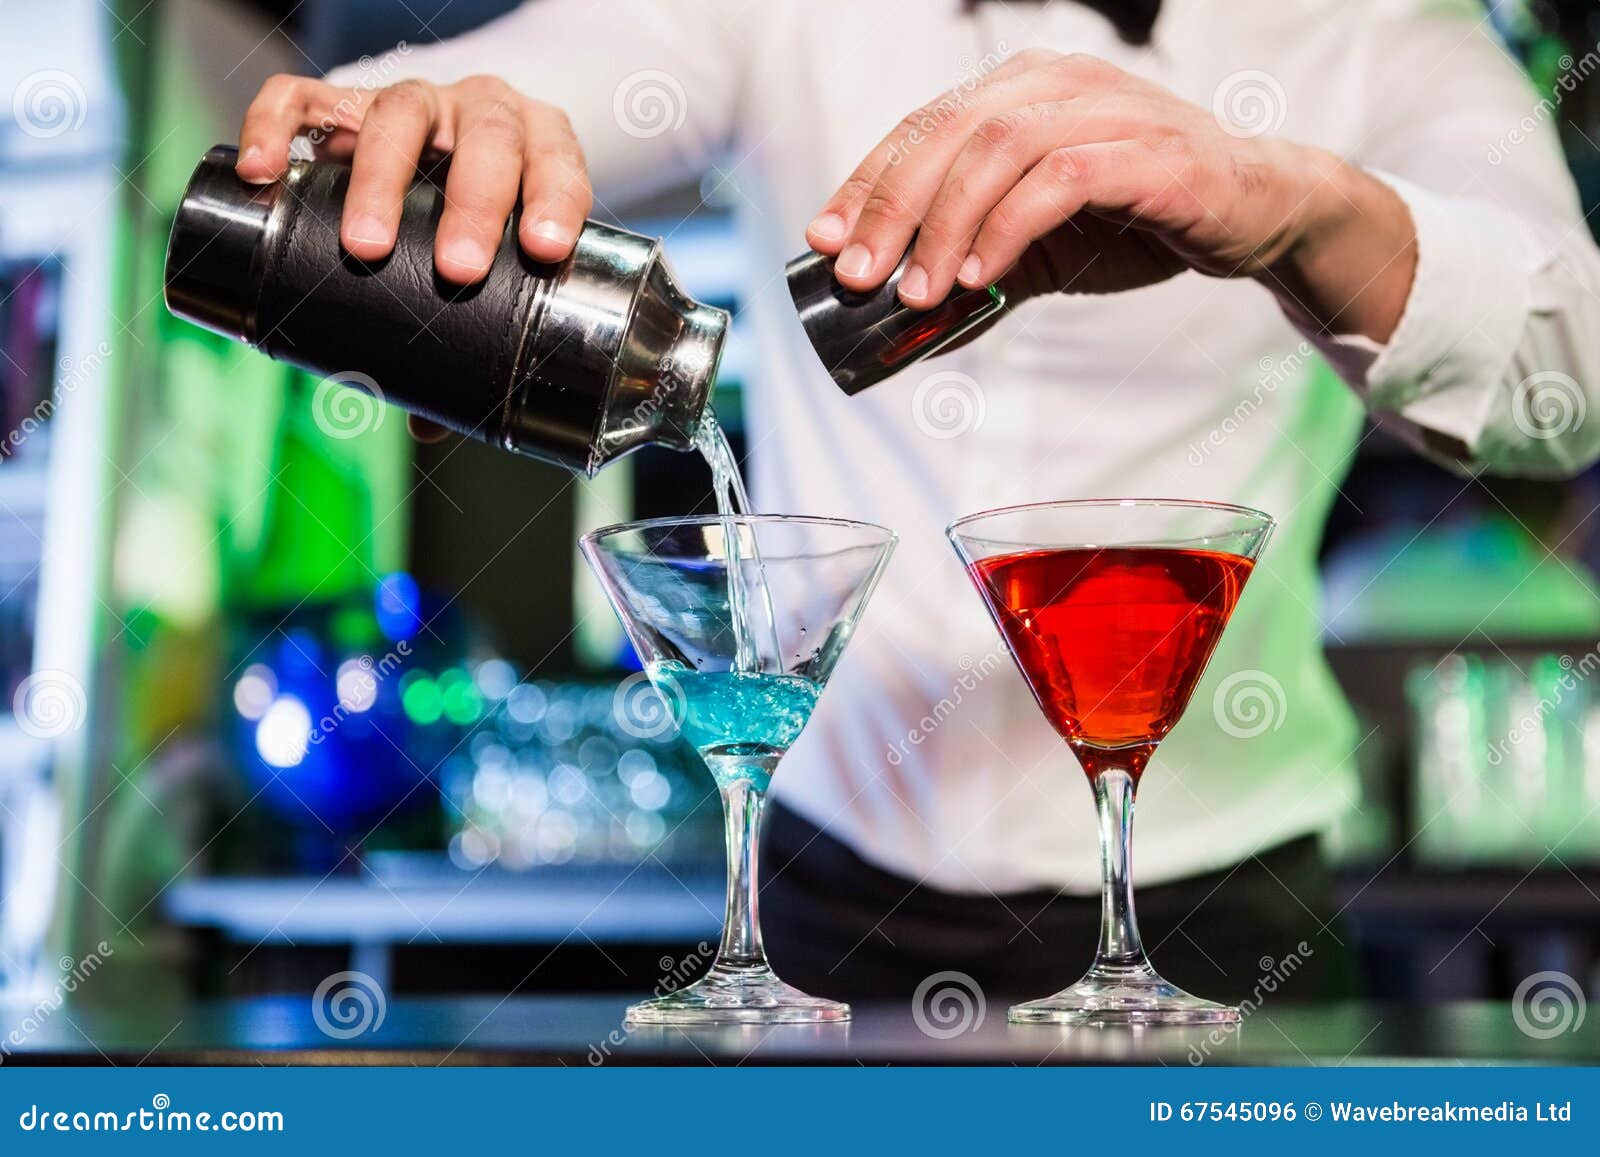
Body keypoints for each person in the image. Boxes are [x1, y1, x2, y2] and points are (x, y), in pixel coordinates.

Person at [234, 0, 1600, 1002]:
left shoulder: (1383, 28)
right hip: (830, 891)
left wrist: (1296, 210)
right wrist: (430, 117)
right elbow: (538, 72)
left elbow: (1568, 366)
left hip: (1229, 904)